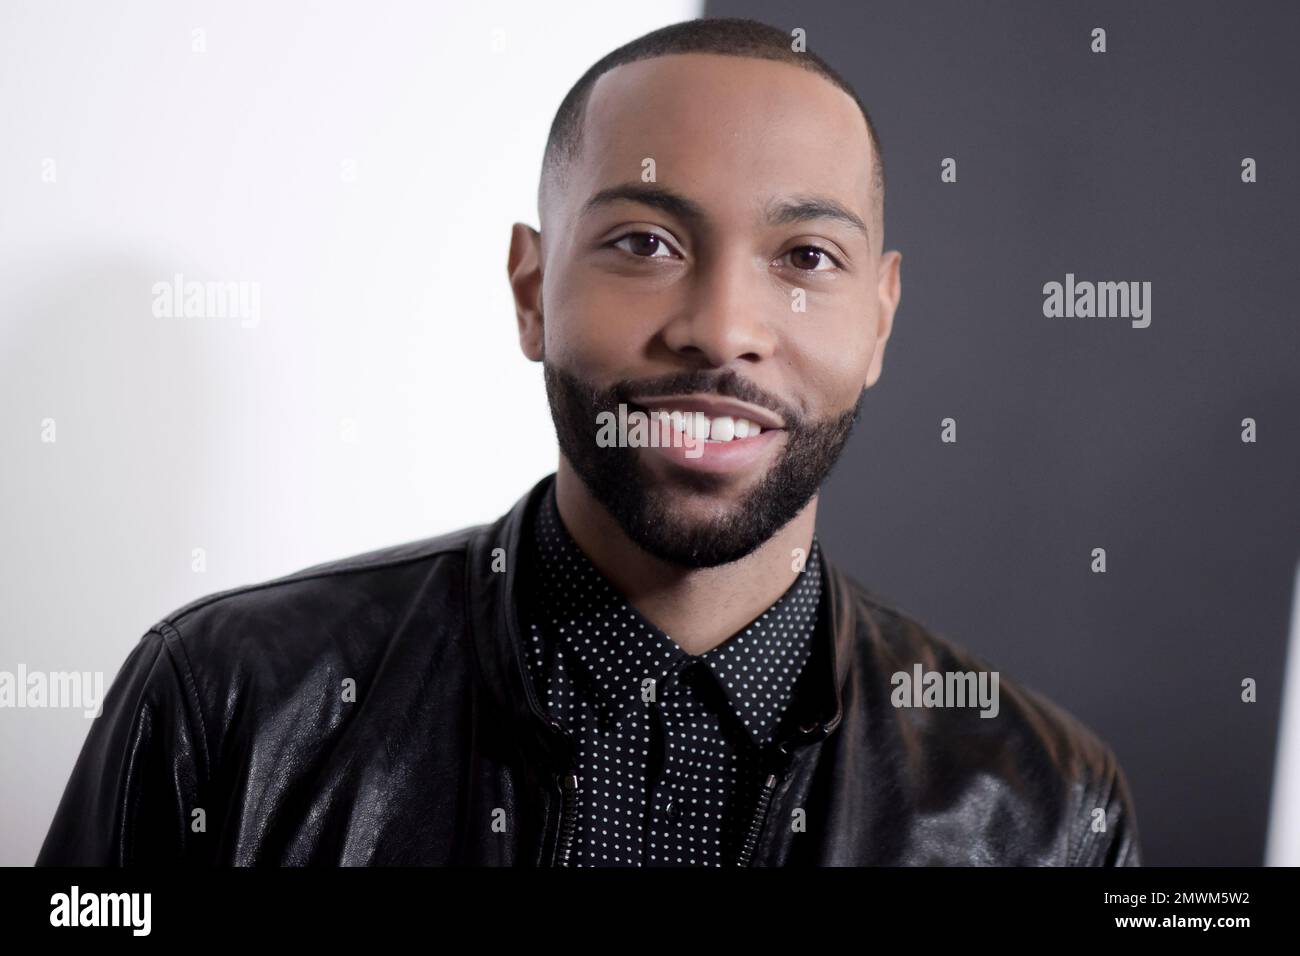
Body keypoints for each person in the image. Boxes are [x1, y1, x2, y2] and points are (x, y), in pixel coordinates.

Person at [36, 16, 1140, 866]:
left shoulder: (1045, 808)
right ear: (531, 290)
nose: (719, 328)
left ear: (880, 321)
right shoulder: (226, 704)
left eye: (804, 258)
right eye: (646, 241)